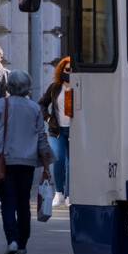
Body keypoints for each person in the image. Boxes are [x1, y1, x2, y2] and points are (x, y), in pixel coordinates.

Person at [0, 70, 53, 254]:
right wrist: (46, 163)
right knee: (23, 202)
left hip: (5, 160)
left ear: (8, 87)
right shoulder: (35, 108)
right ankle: (22, 243)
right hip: (27, 162)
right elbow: (41, 137)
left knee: (8, 201)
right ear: (28, 87)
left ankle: (11, 239)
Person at [38, 57, 73, 206]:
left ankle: (69, 194)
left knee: (71, 163)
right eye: (67, 69)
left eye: (72, 70)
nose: (69, 72)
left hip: (74, 131)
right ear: (61, 70)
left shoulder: (78, 86)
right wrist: (47, 118)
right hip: (56, 130)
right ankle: (58, 192)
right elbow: (42, 104)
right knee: (58, 158)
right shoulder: (55, 87)